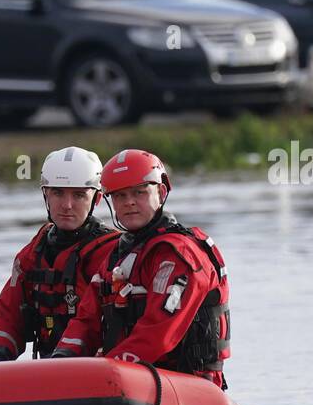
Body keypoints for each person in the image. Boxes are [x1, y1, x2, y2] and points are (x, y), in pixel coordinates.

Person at [0, 146, 118, 377]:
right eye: (58, 193)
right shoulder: (35, 251)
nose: (67, 205)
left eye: (78, 195)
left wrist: (66, 357)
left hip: (92, 369)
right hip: (48, 368)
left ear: (96, 198)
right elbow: (7, 313)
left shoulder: (110, 253)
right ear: (46, 194)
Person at [84, 148, 230, 388]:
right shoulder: (116, 256)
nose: (129, 202)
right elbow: (85, 320)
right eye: (120, 196)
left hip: (186, 386)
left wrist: (106, 372)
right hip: (134, 380)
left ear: (161, 193)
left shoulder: (178, 255)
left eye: (139, 193)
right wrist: (62, 360)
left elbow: (157, 334)